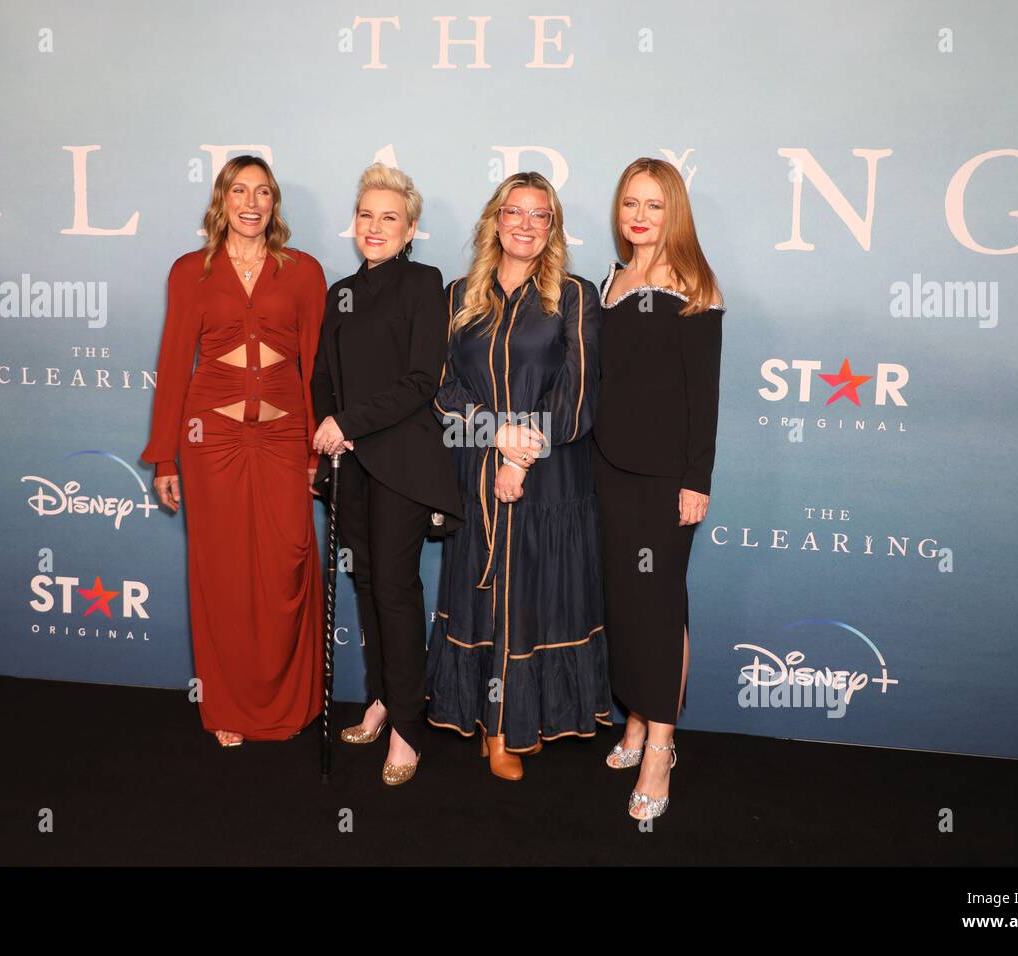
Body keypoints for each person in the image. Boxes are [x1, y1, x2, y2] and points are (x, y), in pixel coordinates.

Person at [425, 171, 612, 781]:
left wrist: (518, 456)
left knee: (525, 597)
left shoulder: (575, 295)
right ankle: (484, 720)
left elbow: (577, 398)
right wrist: (491, 433)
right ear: (494, 220)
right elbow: (442, 390)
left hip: (548, 476)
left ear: (552, 228)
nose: (525, 224)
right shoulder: (458, 295)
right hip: (473, 466)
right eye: (514, 212)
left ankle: (510, 728)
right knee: (483, 594)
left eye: (540, 215)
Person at [140, 155, 327, 747]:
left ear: (275, 204)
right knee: (221, 575)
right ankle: (227, 709)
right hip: (209, 442)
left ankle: (289, 704)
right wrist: (165, 456)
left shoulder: (303, 272)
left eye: (263, 192)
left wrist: (314, 451)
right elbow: (174, 365)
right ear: (221, 200)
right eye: (239, 191)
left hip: (282, 440)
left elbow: (316, 367)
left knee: (286, 565)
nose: (251, 202)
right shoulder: (189, 271)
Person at [310, 163, 463, 786]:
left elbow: (421, 381)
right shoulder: (339, 290)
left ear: (411, 228)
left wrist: (347, 422)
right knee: (367, 586)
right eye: (366, 216)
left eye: (389, 218)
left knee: (396, 593)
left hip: (400, 461)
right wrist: (328, 425)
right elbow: (323, 372)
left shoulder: (425, 283)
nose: (375, 228)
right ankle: (380, 697)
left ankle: (407, 724)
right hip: (348, 465)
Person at [592, 157, 725, 819]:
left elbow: (704, 395)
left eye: (653, 205)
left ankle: (659, 751)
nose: (639, 217)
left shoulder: (693, 282)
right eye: (629, 205)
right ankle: (639, 719)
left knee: (661, 606)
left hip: (666, 479)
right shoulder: (611, 281)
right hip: (608, 468)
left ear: (674, 212)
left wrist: (695, 480)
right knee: (626, 603)